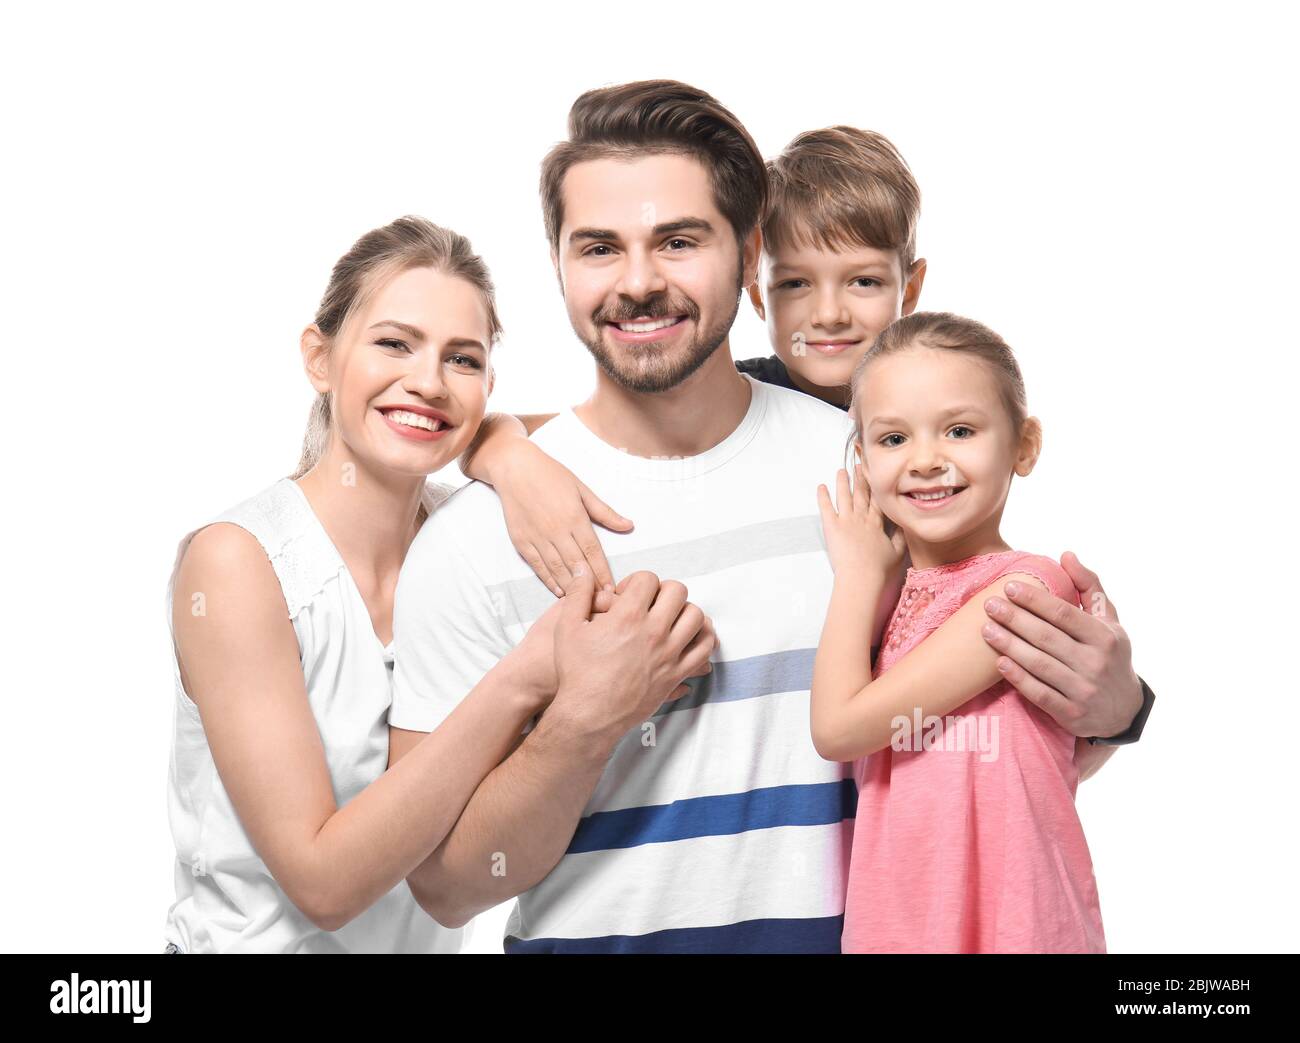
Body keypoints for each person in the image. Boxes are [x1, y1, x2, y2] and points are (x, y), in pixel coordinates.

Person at [388, 80, 1148, 953]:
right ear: (555, 262)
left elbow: (986, 674)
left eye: (679, 240)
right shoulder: (479, 535)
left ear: (745, 255)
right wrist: (582, 719)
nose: (638, 282)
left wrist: (1116, 706)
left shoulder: (878, 470)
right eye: (599, 246)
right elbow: (446, 887)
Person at [162, 215, 711, 952]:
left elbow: (622, 428)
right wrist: (524, 678)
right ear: (319, 358)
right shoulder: (237, 563)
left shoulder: (468, 542)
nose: (427, 381)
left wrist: (506, 450)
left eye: (462, 359)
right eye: (394, 343)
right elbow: (323, 883)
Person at [813, 311, 1106, 952]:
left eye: (960, 430)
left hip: (1014, 928)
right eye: (893, 440)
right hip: (899, 927)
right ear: (862, 459)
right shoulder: (891, 607)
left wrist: (857, 576)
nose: (925, 460)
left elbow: (839, 730)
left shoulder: (1027, 589)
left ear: (1024, 445)